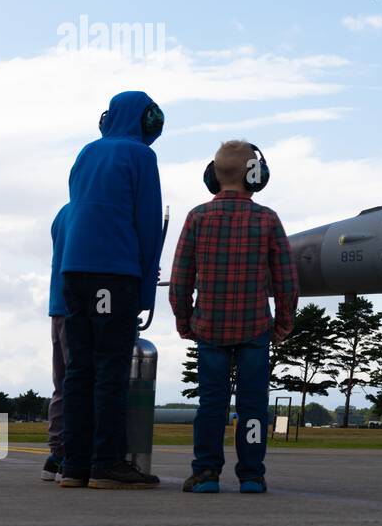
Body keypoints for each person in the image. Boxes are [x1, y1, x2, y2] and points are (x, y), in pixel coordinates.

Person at [169, 140, 298, 494]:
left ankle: (206, 473)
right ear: (257, 175)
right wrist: (284, 322)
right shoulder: (267, 219)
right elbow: (287, 278)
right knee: (253, 405)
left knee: (211, 404)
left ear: (212, 175)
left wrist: (184, 320)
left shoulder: (197, 217)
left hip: (209, 328)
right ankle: (252, 475)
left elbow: (181, 277)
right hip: (255, 327)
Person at [59, 90, 164, 489]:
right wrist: (145, 294)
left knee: (79, 369)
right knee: (111, 369)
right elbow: (148, 225)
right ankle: (106, 462)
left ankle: (74, 464)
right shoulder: (141, 156)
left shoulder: (87, 152)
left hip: (75, 269)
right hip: (113, 272)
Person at [43, 203, 71, 482]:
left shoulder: (63, 213)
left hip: (59, 305)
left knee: (62, 384)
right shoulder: (94, 211)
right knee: (84, 380)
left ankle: (57, 453)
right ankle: (72, 455)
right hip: (81, 307)